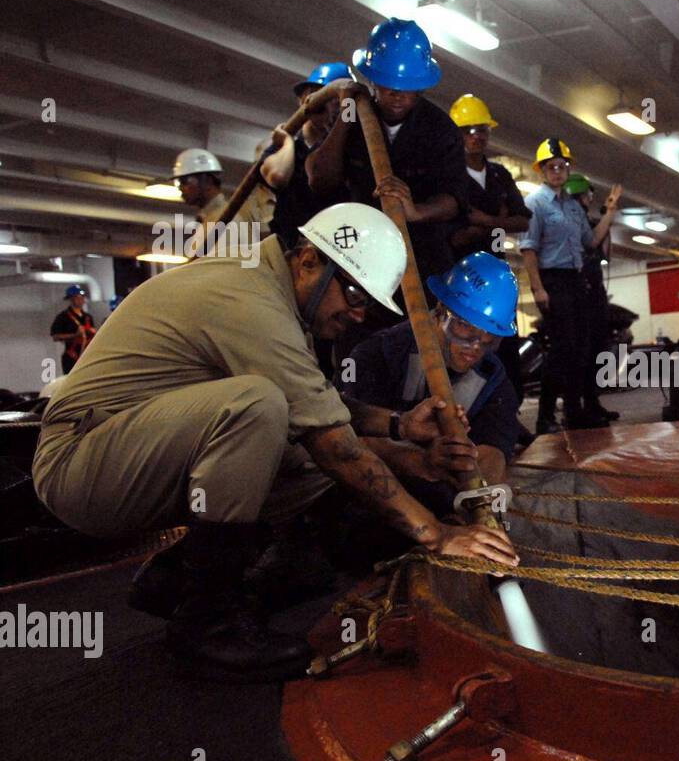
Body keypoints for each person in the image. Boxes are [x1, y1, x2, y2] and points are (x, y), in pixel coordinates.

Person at [32, 203, 517, 681]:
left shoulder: (273, 299)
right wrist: (437, 534)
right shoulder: (252, 303)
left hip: (122, 451)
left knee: (296, 452)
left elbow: (320, 403)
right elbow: (338, 447)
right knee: (258, 406)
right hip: (80, 464)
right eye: (351, 291)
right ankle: (208, 623)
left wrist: (399, 426)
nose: (356, 312)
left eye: (364, 301)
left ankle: (178, 578)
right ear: (308, 260)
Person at [338, 251, 522, 517]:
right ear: (440, 312)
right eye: (465, 329)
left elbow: (494, 451)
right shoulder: (378, 354)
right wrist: (420, 462)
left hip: (445, 502)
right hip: (371, 498)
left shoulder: (492, 379)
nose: (475, 347)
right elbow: (350, 439)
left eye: (489, 339)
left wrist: (479, 496)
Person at [306, 18, 464, 284]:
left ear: (422, 86)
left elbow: (454, 199)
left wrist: (416, 212)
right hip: (357, 256)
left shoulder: (441, 130)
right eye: (388, 84)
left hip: (420, 259)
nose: (397, 94)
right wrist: (346, 115)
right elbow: (320, 180)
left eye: (408, 88)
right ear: (372, 79)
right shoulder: (352, 116)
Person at [519, 138, 622, 434]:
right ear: (542, 171)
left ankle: (575, 412)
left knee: (581, 348)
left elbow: (590, 241)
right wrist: (538, 289)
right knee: (562, 350)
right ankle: (545, 417)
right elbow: (528, 249)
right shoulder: (534, 204)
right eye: (551, 167)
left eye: (562, 166)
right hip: (553, 280)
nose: (557, 171)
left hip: (577, 281)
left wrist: (610, 212)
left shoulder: (573, 208)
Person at [261, 61, 353, 251]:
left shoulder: (349, 151)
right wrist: (287, 142)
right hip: (290, 247)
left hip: (332, 248)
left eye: (336, 105)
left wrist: (348, 107)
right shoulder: (284, 148)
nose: (329, 111)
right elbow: (277, 176)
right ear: (305, 100)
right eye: (323, 103)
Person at [445, 94, 532, 259]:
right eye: (468, 131)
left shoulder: (500, 174)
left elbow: (522, 222)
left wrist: (486, 220)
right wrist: (500, 221)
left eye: (482, 130)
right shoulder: (447, 173)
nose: (476, 136)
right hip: (458, 266)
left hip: (496, 259)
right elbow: (456, 238)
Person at [567, 173, 619, 422]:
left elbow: (604, 253)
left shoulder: (587, 220)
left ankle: (591, 399)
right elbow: (592, 244)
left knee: (599, 346)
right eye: (588, 193)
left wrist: (606, 221)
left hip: (595, 288)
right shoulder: (571, 220)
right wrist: (609, 212)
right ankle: (577, 406)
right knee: (582, 350)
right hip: (580, 290)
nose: (590, 198)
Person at [49, 285, 96, 374]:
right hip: (72, 356)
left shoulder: (88, 317)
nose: (80, 300)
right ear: (71, 299)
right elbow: (55, 336)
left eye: (82, 297)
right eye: (77, 297)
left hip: (87, 355)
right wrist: (75, 335)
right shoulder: (63, 317)